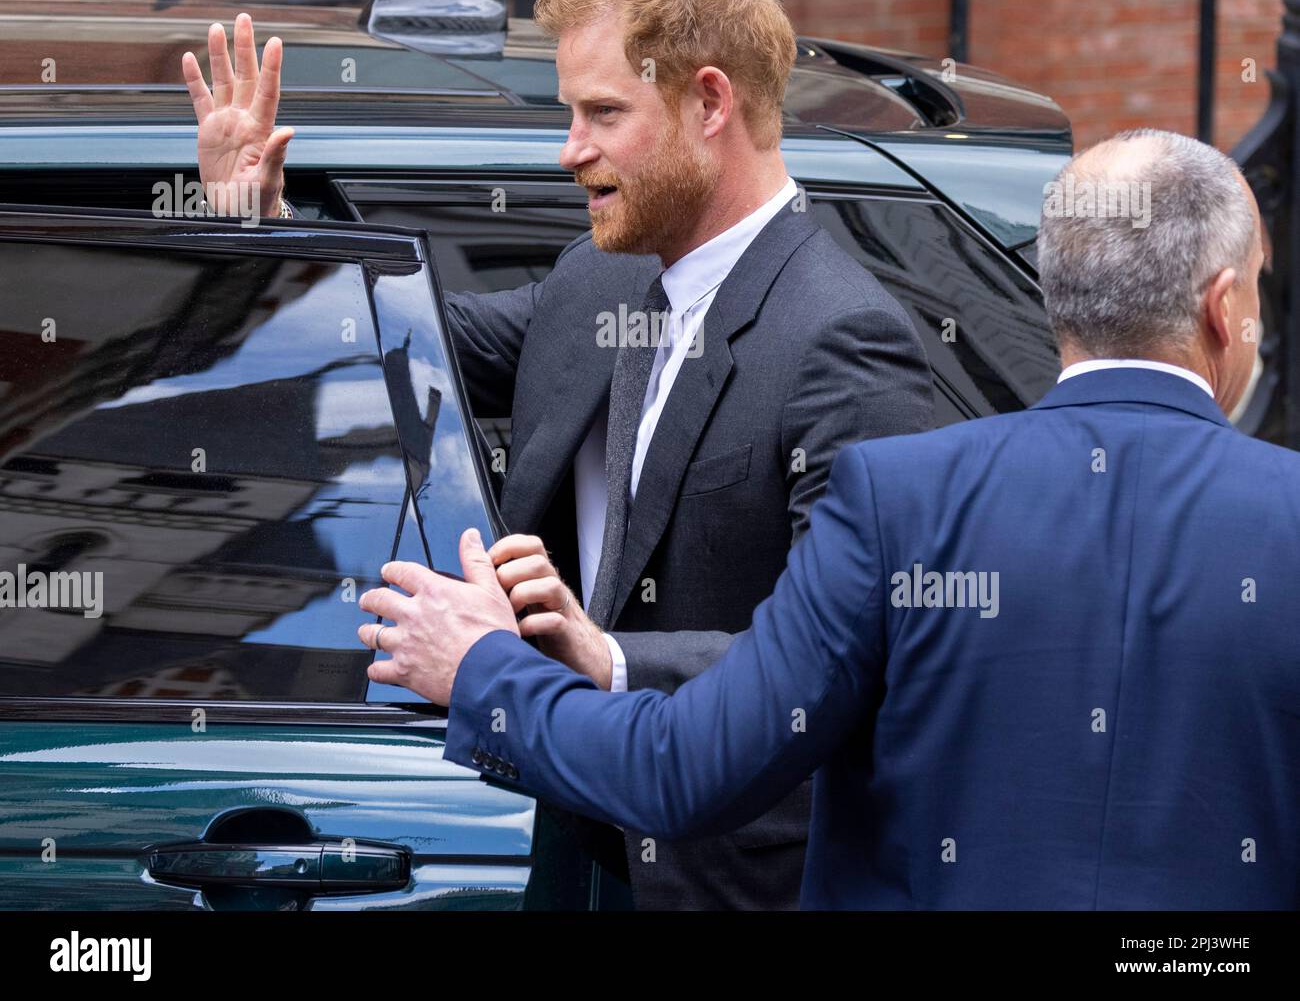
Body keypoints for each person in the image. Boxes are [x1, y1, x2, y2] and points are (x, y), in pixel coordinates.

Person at [357, 129, 1300, 910]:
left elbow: (685, 768)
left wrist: (486, 666)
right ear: (1224, 307)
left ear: (1057, 298)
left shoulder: (901, 499)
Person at [183, 0, 935, 909]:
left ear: (710, 104)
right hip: (571, 849)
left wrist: (606, 659)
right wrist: (257, 224)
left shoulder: (844, 338)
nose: (569, 148)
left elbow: (847, 659)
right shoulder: (599, 282)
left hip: (736, 880)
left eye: (603, 114)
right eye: (570, 113)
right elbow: (394, 352)